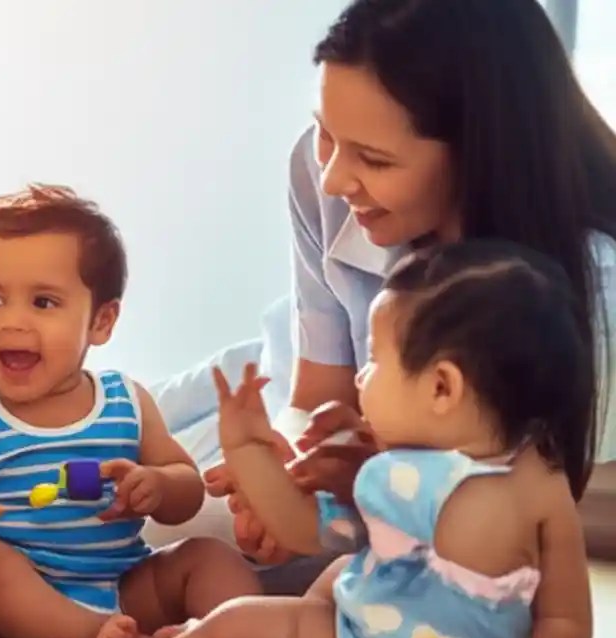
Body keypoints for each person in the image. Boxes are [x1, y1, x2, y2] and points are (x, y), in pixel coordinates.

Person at [147, 0, 616, 592]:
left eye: (373, 159)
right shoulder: (321, 176)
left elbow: (517, 515)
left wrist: (369, 472)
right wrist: (289, 470)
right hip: (256, 388)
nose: (336, 179)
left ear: (477, 151)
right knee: (95, 472)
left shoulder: (587, 289)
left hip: (396, 496)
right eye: (325, 132)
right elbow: (316, 394)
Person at [146, 240, 595, 638]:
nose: (361, 377)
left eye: (376, 359)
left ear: (441, 388)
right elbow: (564, 617)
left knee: (237, 628)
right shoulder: (546, 485)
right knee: (349, 572)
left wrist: (246, 449)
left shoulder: (400, 477)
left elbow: (298, 528)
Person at [0, 184, 260, 638]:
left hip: (122, 587)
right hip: (13, 606)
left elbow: (187, 489)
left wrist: (157, 486)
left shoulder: (126, 402)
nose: (12, 322)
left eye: (42, 303)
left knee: (208, 557)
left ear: (101, 323)